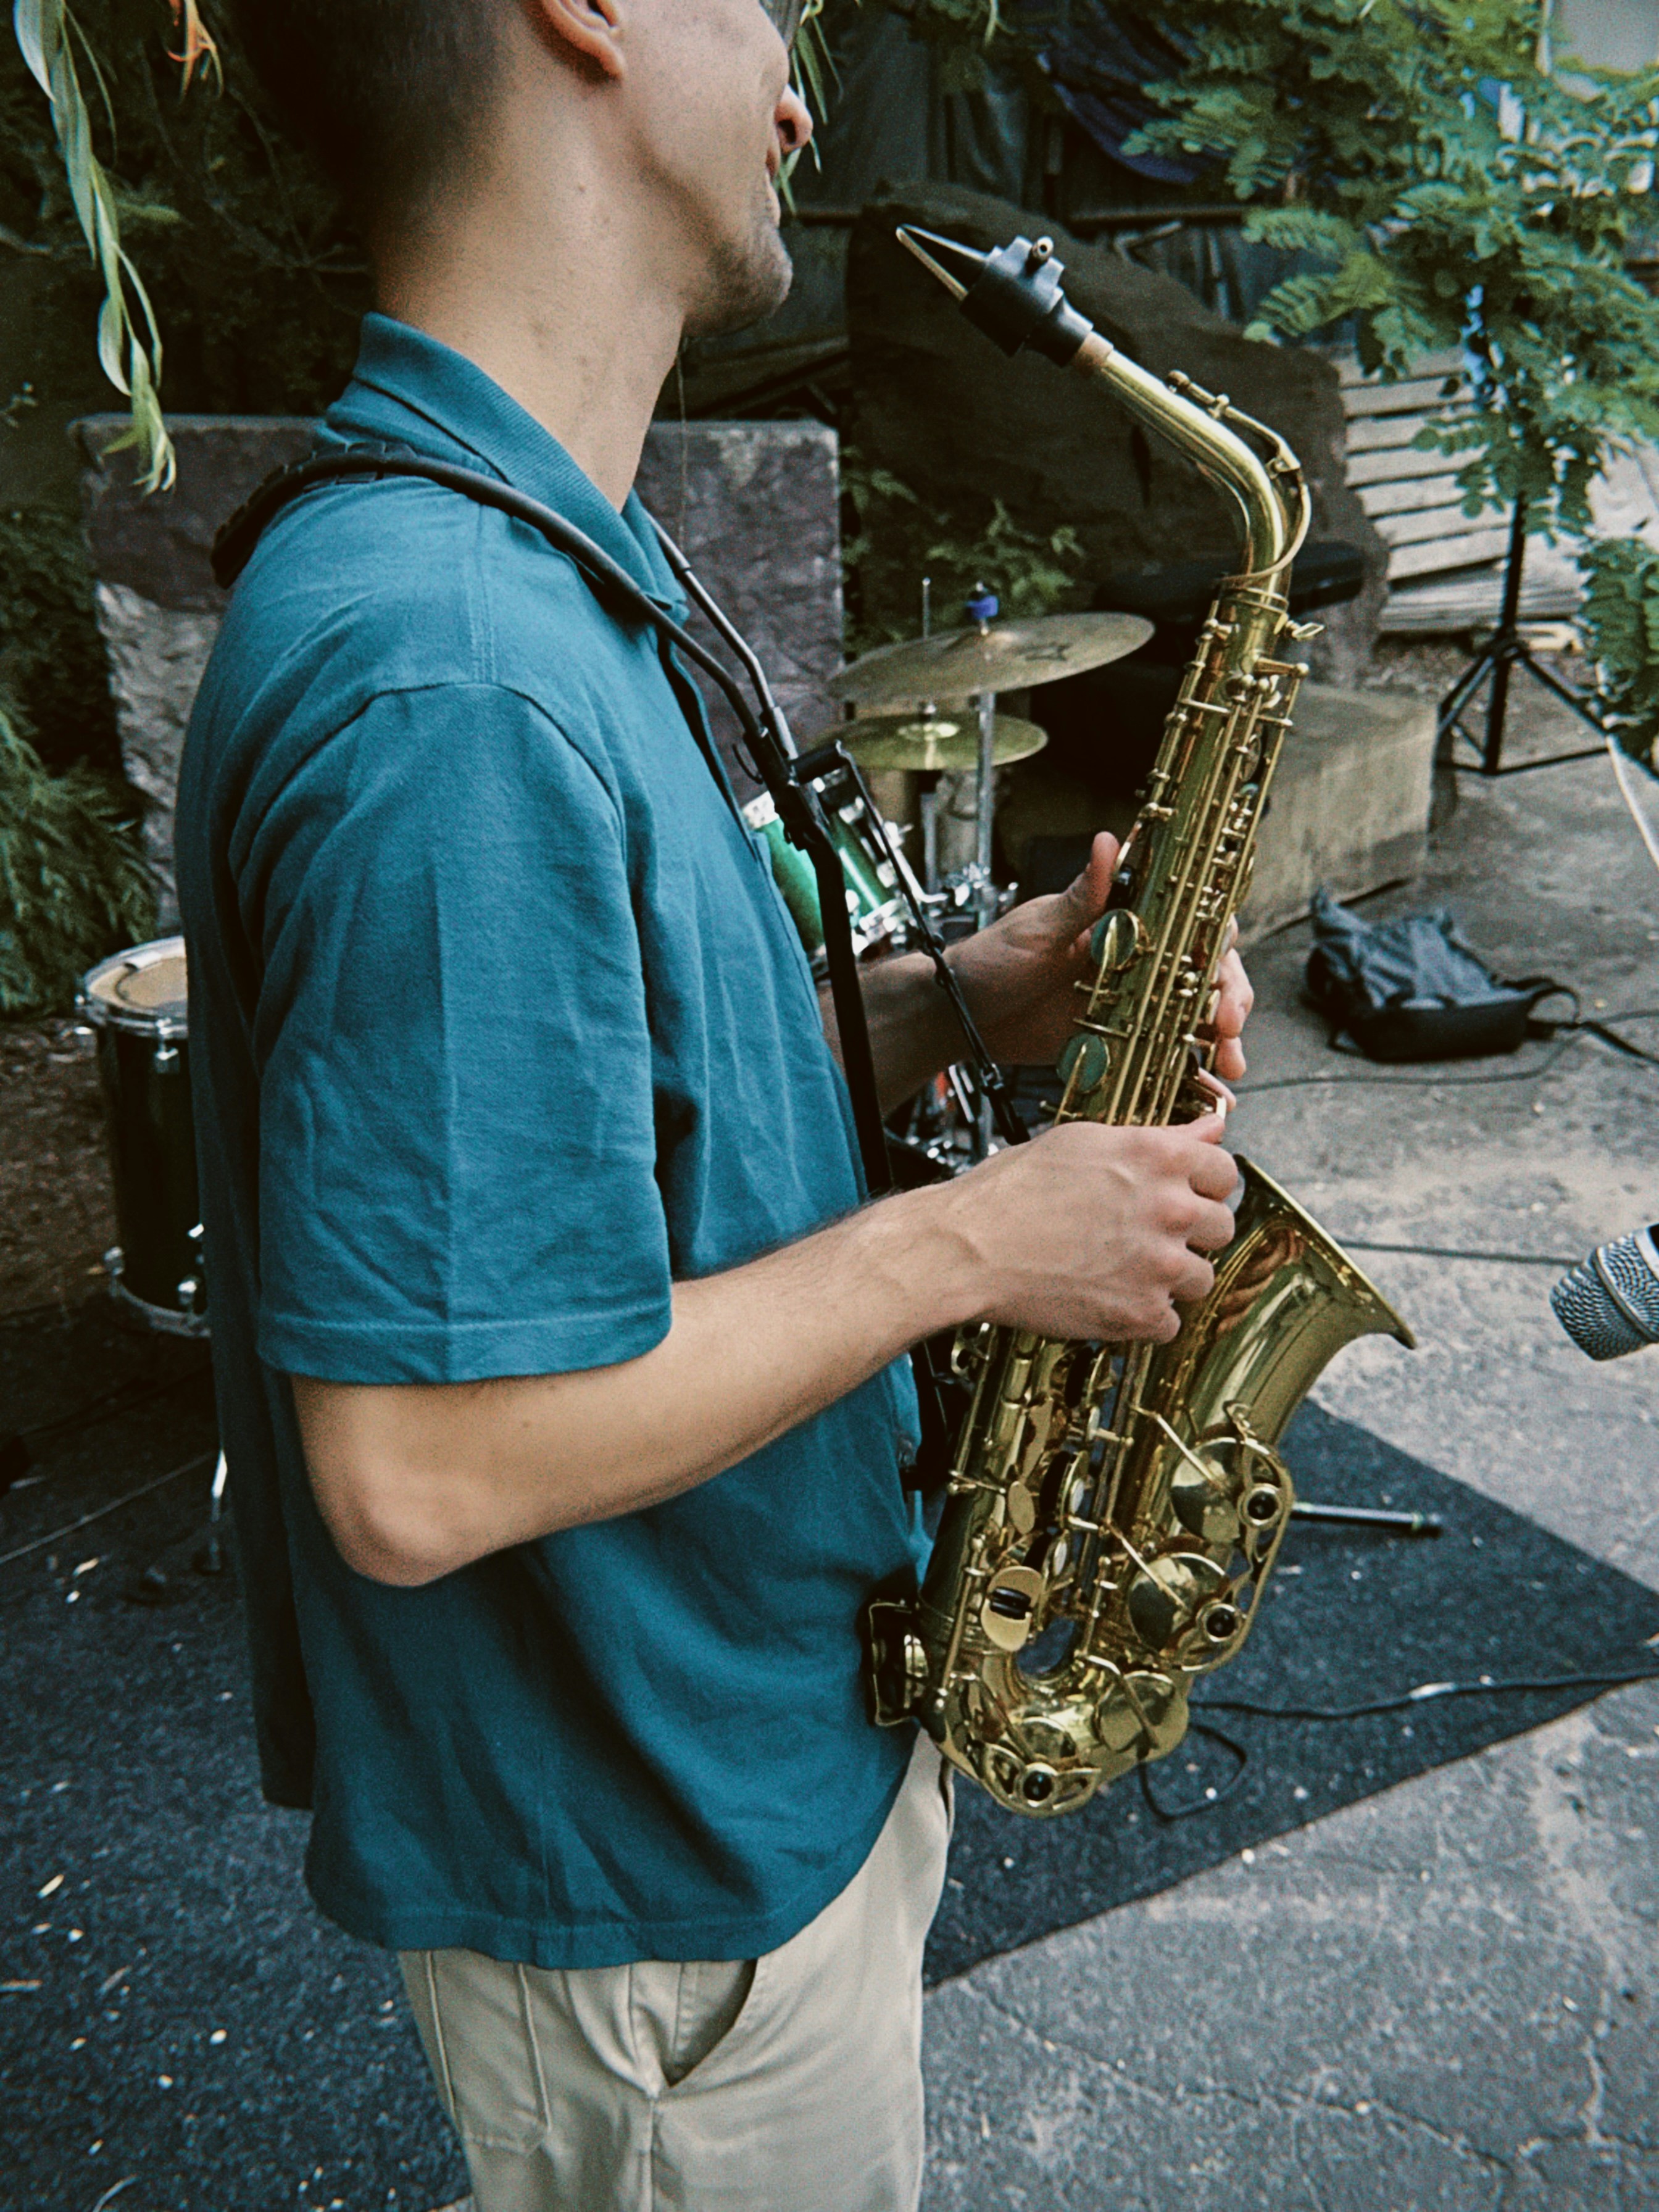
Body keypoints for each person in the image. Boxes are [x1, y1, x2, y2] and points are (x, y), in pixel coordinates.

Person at [177, 2, 1253, 2206]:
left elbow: (601, 1129)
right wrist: (976, 1237)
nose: (794, 89)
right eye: (762, 2)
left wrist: (972, 1002)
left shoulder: (537, 560)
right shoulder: (451, 671)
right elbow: (415, 1461)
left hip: (739, 1774)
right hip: (662, 1892)